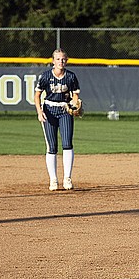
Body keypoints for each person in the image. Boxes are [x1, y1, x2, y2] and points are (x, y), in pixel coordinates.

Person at [34, 48, 81, 191]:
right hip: (49, 110)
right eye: (58, 59)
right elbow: (37, 95)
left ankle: (67, 178)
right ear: (53, 61)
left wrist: (74, 104)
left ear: (66, 60)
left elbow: (75, 95)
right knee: (52, 146)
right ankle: (53, 180)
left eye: (63, 59)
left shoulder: (71, 77)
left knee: (67, 143)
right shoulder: (45, 76)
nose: (61, 61)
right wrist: (39, 111)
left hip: (65, 110)